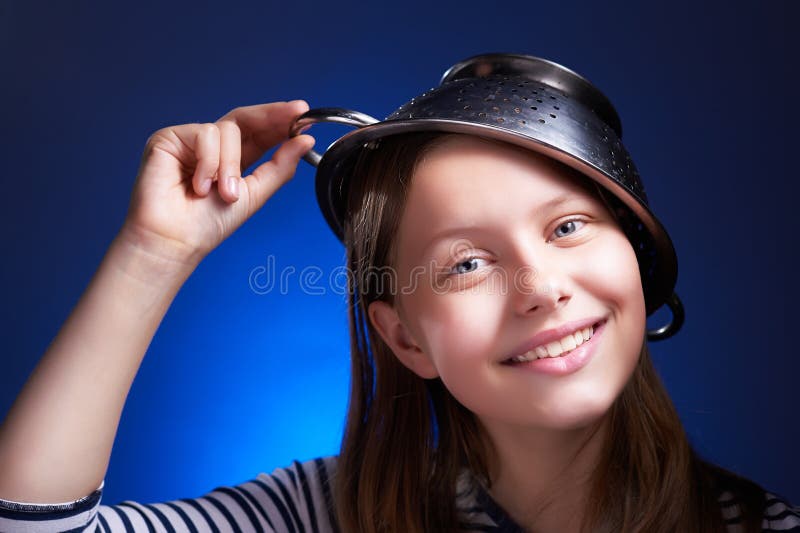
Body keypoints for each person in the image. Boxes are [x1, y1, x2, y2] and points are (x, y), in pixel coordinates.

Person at [0, 54, 797, 533]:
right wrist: (151, 255)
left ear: (637, 256)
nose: (541, 289)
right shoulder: (323, 514)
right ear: (406, 337)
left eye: (566, 228)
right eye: (464, 265)